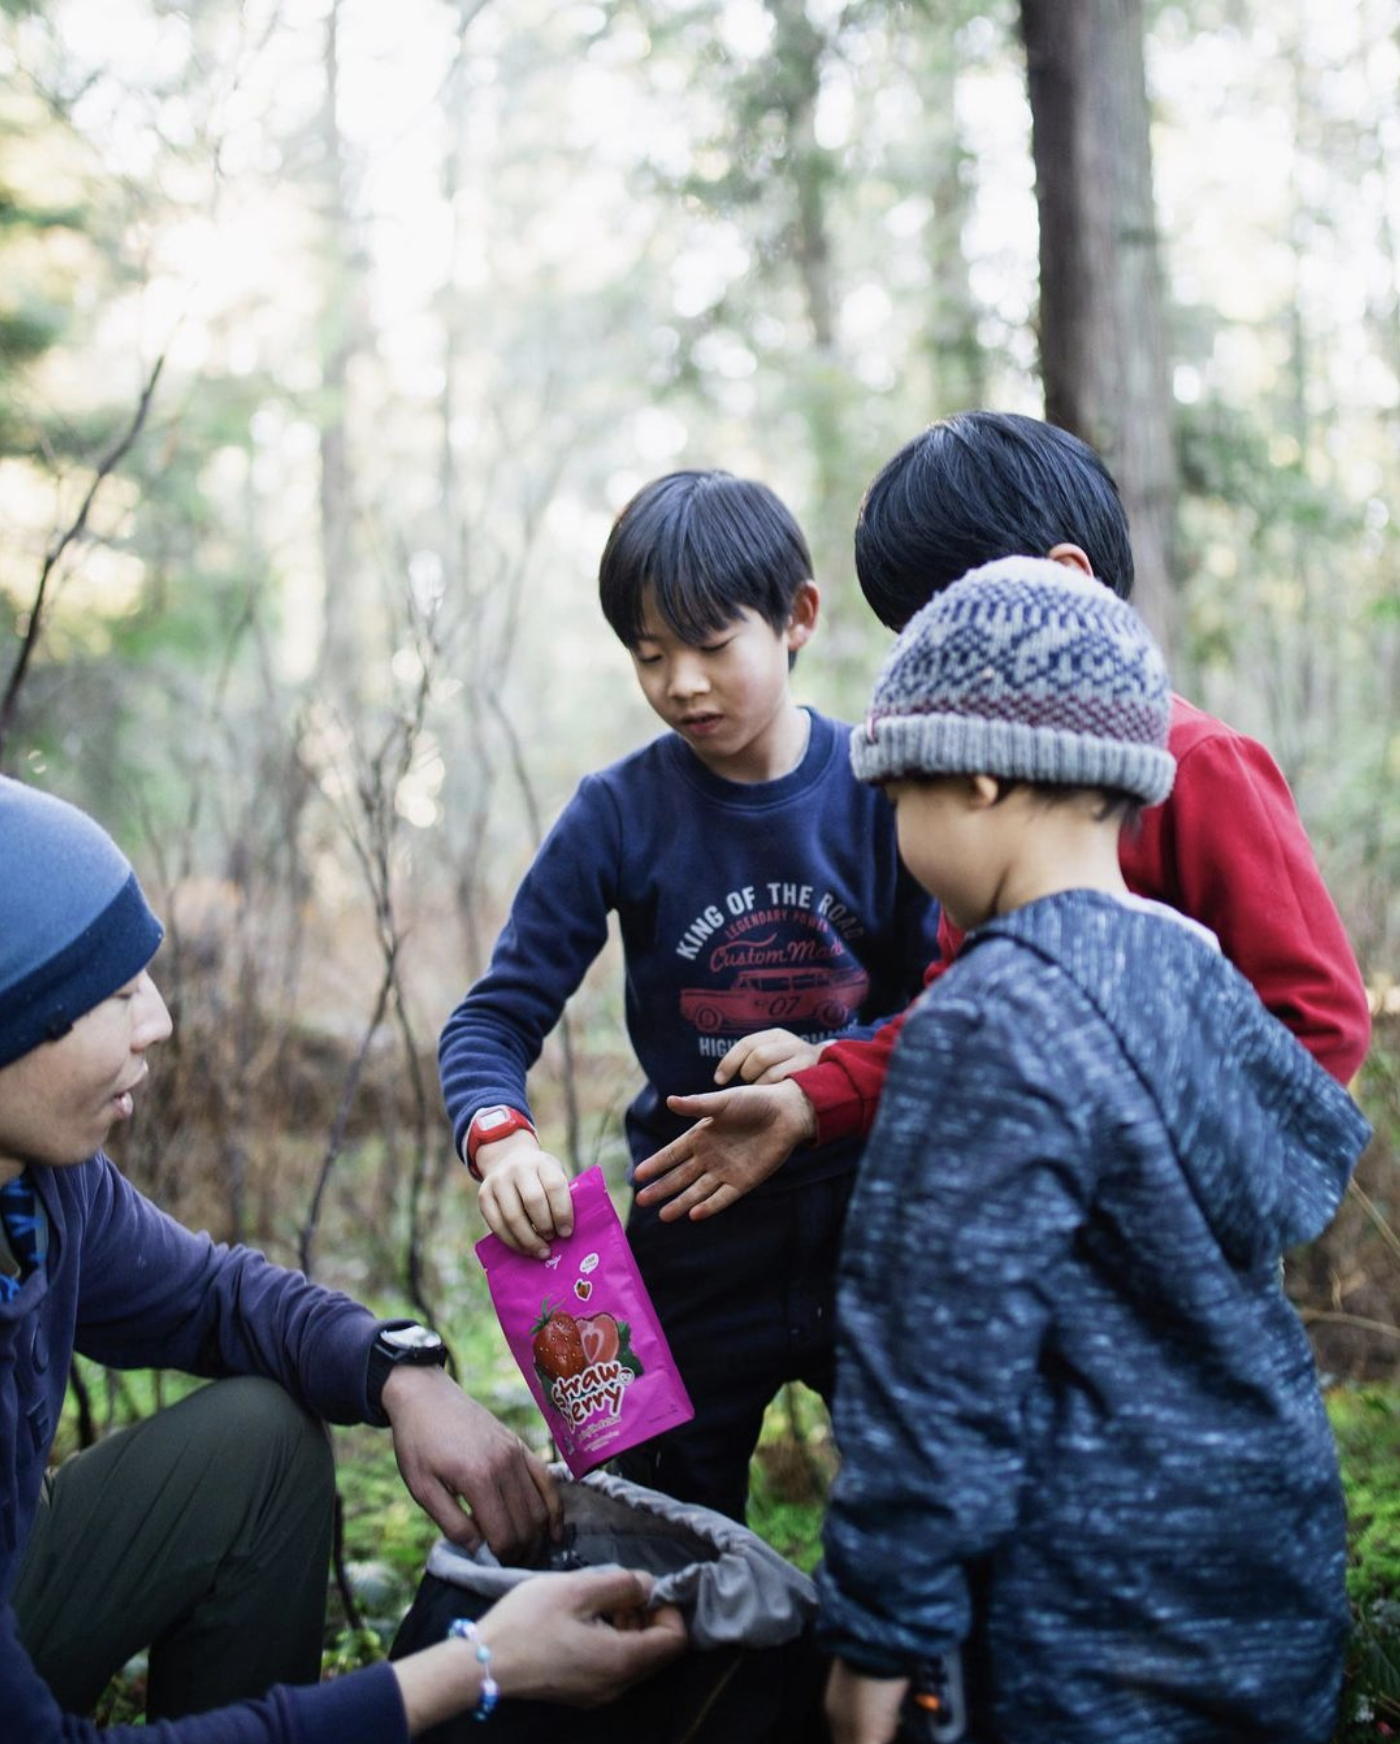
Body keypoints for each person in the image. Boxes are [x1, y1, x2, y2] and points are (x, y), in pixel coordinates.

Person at [0, 775, 686, 1743]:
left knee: (260, 1434)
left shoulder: (38, 1179)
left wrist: (396, 1371)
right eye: (113, 992)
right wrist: (474, 1667)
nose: (156, 1020)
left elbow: (212, 1296)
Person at [816, 557, 1371, 1744]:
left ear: (970, 776)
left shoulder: (987, 1020)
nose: (898, 835)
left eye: (897, 798)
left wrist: (876, 1637)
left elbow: (932, 1369)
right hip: (1262, 1573)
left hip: (1076, 1615)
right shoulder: (1193, 971)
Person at [632, 411, 1371, 1220]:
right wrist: (815, 1096)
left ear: (1067, 582)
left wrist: (1169, 1189)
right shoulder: (977, 815)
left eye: (941, 626)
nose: (924, 668)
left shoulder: (1197, 765)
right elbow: (964, 1015)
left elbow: (1319, 1021)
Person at [438, 468, 940, 1523]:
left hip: (878, 1229)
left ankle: (886, 1686)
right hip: (692, 1234)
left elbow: (957, 1007)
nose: (680, 683)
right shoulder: (619, 812)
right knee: (657, 1528)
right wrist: (500, 1137)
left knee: (918, 1512)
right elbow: (494, 1015)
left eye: (712, 644)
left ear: (797, 616)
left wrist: (832, 1067)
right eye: (649, 653)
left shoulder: (885, 790)